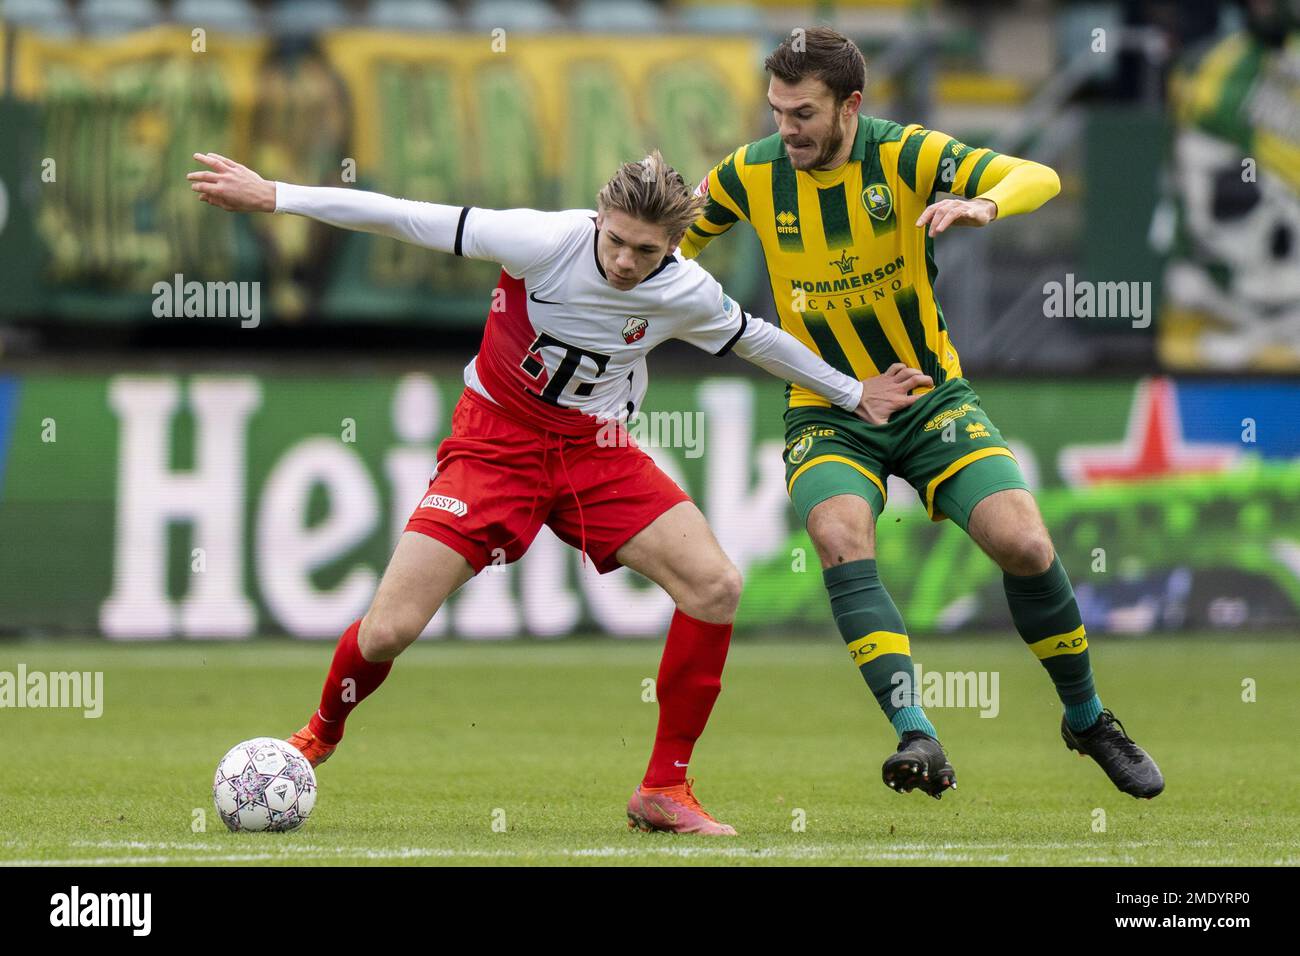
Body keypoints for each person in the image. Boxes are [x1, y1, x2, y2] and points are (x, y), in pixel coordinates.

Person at [188, 147, 883, 834]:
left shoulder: (686, 291)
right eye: (615, 241)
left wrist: (853, 394)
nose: (624, 262)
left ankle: (664, 787)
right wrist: (277, 195)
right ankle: (319, 732)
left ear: (674, 246)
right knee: (389, 630)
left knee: (716, 586)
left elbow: (758, 339)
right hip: (495, 444)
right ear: (599, 218)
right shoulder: (542, 240)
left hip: (595, 453)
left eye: (645, 251)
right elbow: (403, 217)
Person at [680, 28, 1163, 800]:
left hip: (928, 397)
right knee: (839, 535)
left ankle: (1087, 718)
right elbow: (672, 241)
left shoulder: (903, 154)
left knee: (1027, 544)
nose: (787, 129)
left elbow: (1036, 174)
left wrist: (985, 202)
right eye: (776, 111)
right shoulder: (749, 172)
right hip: (827, 408)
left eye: (803, 113)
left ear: (851, 105)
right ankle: (917, 733)